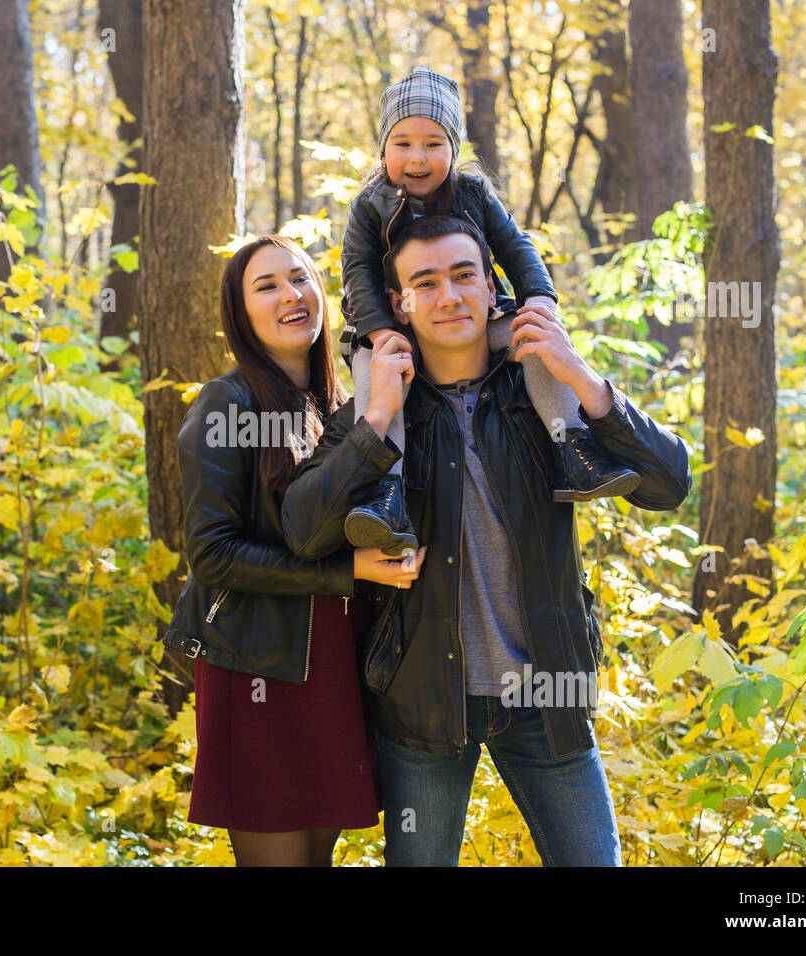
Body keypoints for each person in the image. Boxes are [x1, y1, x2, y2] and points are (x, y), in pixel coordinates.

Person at [282, 215, 691, 866]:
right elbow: (302, 530)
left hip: (547, 695)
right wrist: (377, 416)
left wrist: (582, 375)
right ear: (400, 304)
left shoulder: (543, 393)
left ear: (492, 286)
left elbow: (669, 485)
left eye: (464, 274)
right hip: (422, 705)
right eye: (426, 281)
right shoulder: (377, 409)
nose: (448, 296)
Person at [163, 235, 428, 867]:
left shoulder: (339, 406)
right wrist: (348, 571)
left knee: (316, 858)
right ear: (241, 314)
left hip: (334, 663)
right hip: (257, 664)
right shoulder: (226, 403)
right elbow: (211, 555)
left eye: (300, 277)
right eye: (267, 286)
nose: (291, 295)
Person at [339, 64, 639, 557]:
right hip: (396, 328)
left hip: (477, 323)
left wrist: (539, 298)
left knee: (534, 337)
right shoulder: (369, 206)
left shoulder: (474, 194)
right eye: (403, 143)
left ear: (453, 150)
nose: (418, 157)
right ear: (384, 149)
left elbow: (516, 248)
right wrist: (375, 330)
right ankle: (385, 490)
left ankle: (573, 449)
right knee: (379, 377)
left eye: (434, 143)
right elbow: (358, 273)